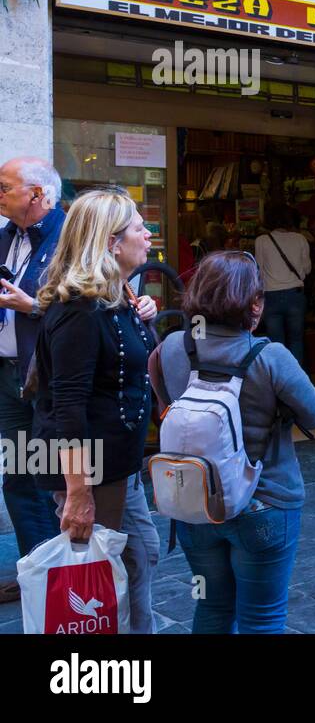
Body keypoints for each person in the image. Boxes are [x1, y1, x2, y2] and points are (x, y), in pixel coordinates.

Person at [155, 251, 315, 633]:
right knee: (262, 617)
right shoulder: (271, 357)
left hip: (195, 500)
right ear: (254, 304)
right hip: (265, 501)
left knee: (213, 609)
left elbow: (165, 404)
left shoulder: (172, 348)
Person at [28, 187, 161, 632]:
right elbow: (68, 407)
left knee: (139, 557)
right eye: (140, 228)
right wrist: (78, 492)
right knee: (104, 579)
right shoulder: (80, 310)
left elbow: (133, 365)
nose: (149, 234)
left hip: (119, 465)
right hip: (91, 471)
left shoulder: (116, 296)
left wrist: (145, 317)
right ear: (110, 242)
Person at [0, 157, 65, 603]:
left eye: (5, 187)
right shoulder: (3, 238)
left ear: (37, 195)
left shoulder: (69, 236)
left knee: (54, 481)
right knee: (20, 477)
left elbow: (93, 303)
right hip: (7, 377)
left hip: (48, 379)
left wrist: (35, 306)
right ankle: (36, 574)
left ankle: (61, 580)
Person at [254, 205, 311, 367]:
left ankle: (278, 380)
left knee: (276, 343)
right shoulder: (300, 239)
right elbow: (307, 269)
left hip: (271, 295)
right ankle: (296, 379)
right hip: (295, 295)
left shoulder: (261, 241)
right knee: (296, 340)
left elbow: (259, 269)